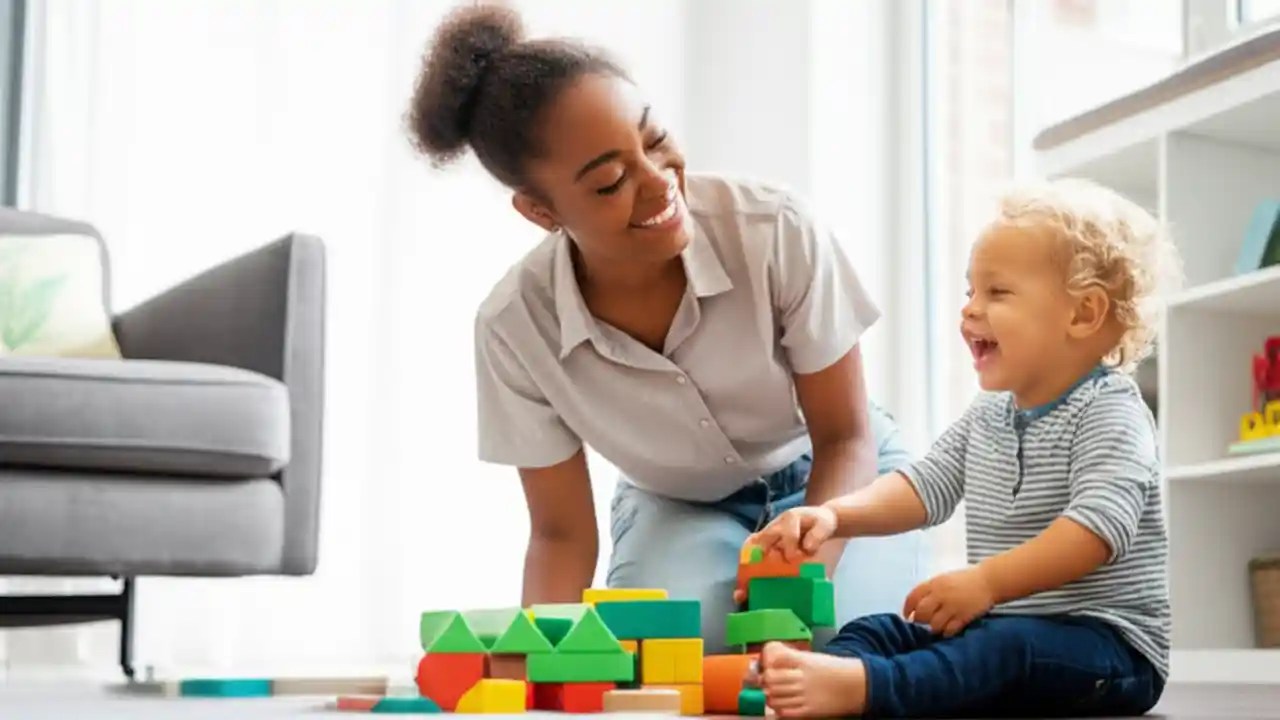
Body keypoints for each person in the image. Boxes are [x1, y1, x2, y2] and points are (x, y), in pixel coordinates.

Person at [404, 2, 923, 650]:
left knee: (840, 644)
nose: (657, 185)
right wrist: (545, 664)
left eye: (652, 140)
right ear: (541, 211)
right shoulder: (515, 329)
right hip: (677, 505)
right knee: (672, 652)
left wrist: (807, 561)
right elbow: (560, 533)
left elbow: (846, 436)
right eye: (611, 181)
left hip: (834, 475)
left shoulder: (773, 229)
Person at [747, 177, 1181, 718]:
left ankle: (867, 691)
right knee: (879, 629)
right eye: (969, 291)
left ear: (1083, 314)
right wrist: (835, 516)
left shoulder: (1111, 412)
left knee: (1004, 650)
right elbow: (924, 487)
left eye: (996, 293)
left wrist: (986, 582)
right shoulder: (989, 414)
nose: (970, 311)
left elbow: (1096, 531)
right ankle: (841, 675)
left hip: (1109, 648)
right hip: (1008, 626)